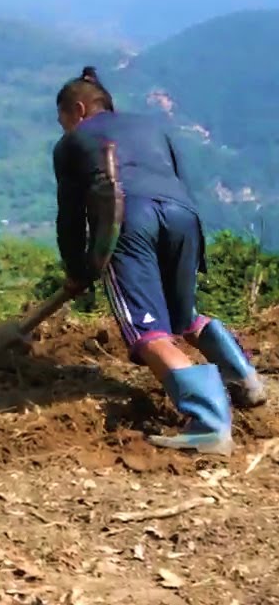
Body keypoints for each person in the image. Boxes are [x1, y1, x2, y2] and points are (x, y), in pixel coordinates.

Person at [52, 65, 266, 456]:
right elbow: (181, 179)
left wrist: (77, 269)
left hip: (126, 221)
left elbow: (70, 217)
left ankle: (210, 424)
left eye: (63, 119)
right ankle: (245, 379)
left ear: (79, 110)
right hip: (184, 216)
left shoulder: (71, 144)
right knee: (183, 317)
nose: (64, 128)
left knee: (147, 332)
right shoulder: (152, 127)